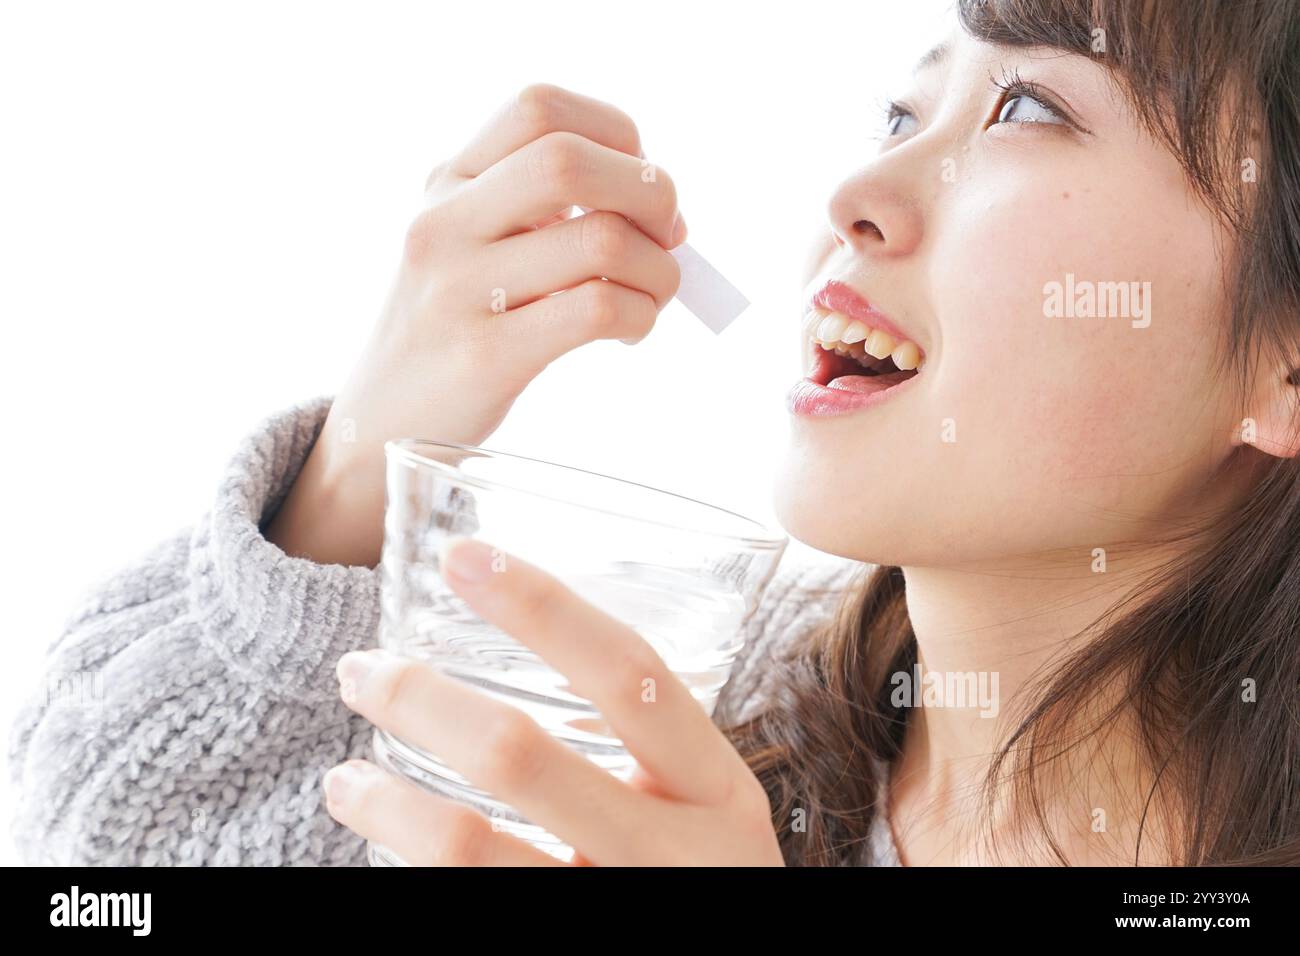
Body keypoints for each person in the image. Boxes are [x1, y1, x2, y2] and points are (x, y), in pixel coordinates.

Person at [10, 0, 1300, 866]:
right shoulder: (716, 731)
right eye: (904, 117)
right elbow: (98, 846)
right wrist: (367, 454)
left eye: (1030, 112)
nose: (852, 196)